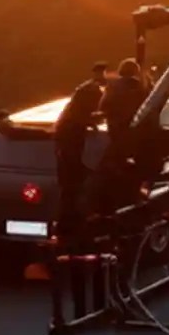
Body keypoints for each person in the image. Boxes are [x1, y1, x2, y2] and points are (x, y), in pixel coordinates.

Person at [53, 62, 107, 236]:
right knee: (72, 180)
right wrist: (95, 122)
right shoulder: (92, 91)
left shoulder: (85, 88)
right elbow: (87, 113)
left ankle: (68, 221)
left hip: (68, 132)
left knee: (72, 178)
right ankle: (69, 223)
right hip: (71, 134)